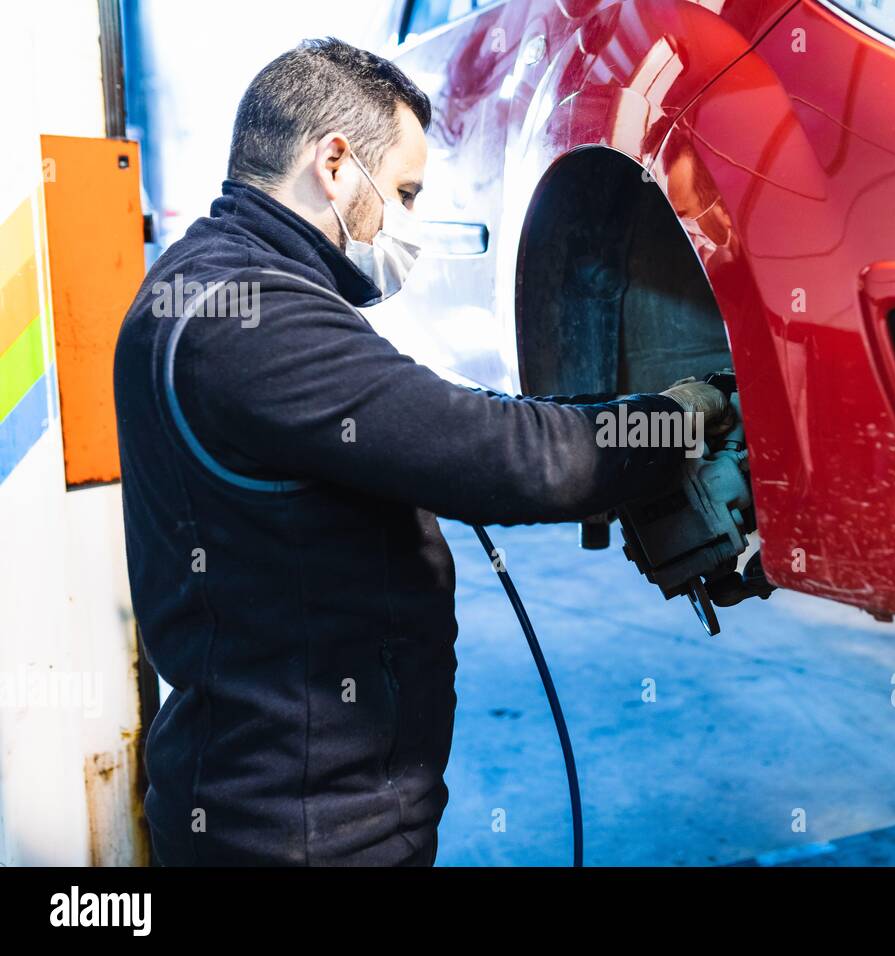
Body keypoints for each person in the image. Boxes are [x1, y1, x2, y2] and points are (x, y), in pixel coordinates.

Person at [113, 38, 729, 865]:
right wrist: (674, 417)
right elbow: (508, 457)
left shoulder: (204, 283)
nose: (404, 223)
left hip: (276, 803)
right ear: (334, 162)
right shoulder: (250, 320)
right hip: (302, 833)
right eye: (401, 193)